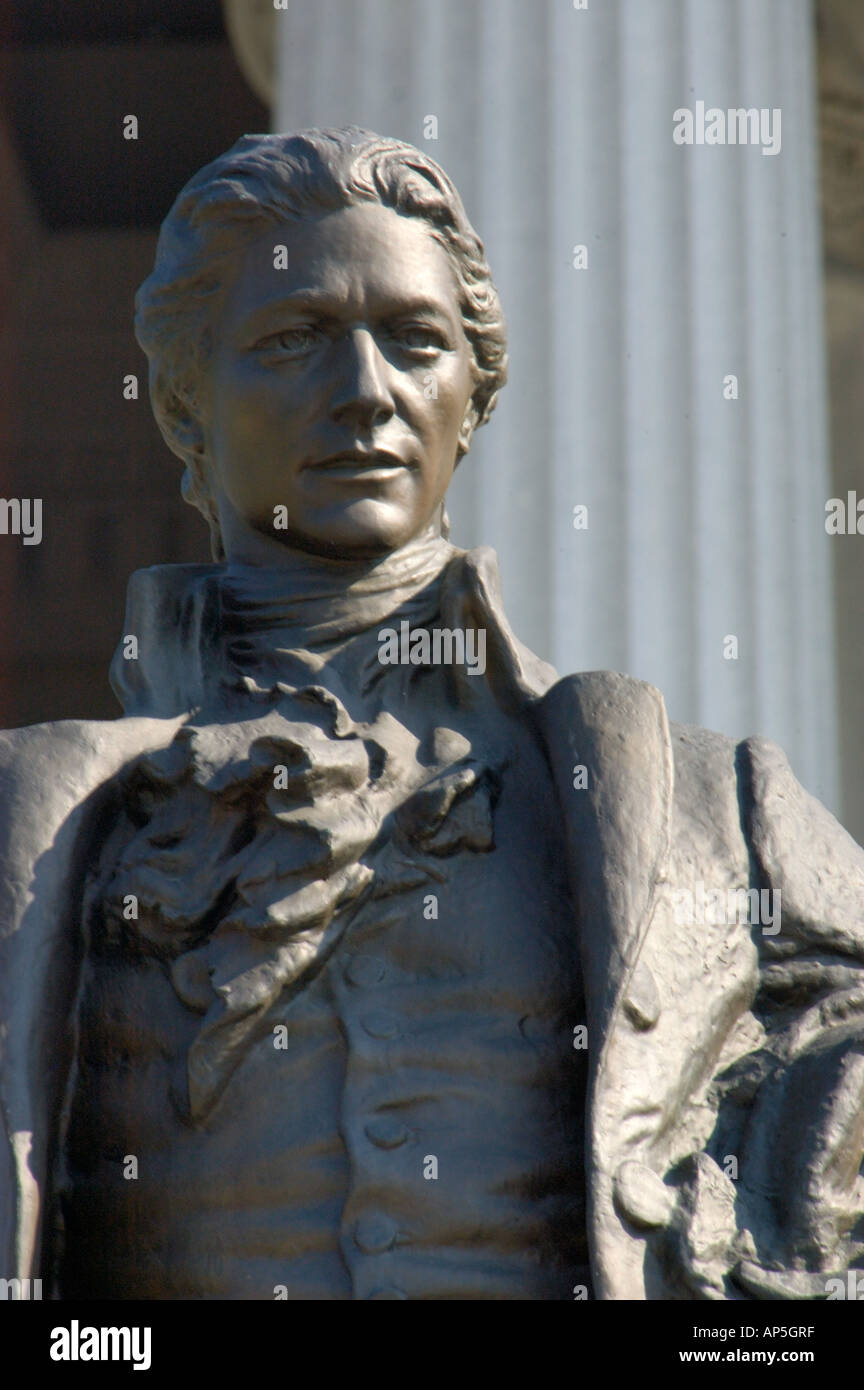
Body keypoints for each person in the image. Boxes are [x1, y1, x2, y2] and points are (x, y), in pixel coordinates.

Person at [1, 128, 862, 1301]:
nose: (365, 393)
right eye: (295, 340)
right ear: (186, 404)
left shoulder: (722, 812)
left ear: (473, 398)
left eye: (414, 342)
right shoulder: (39, 826)